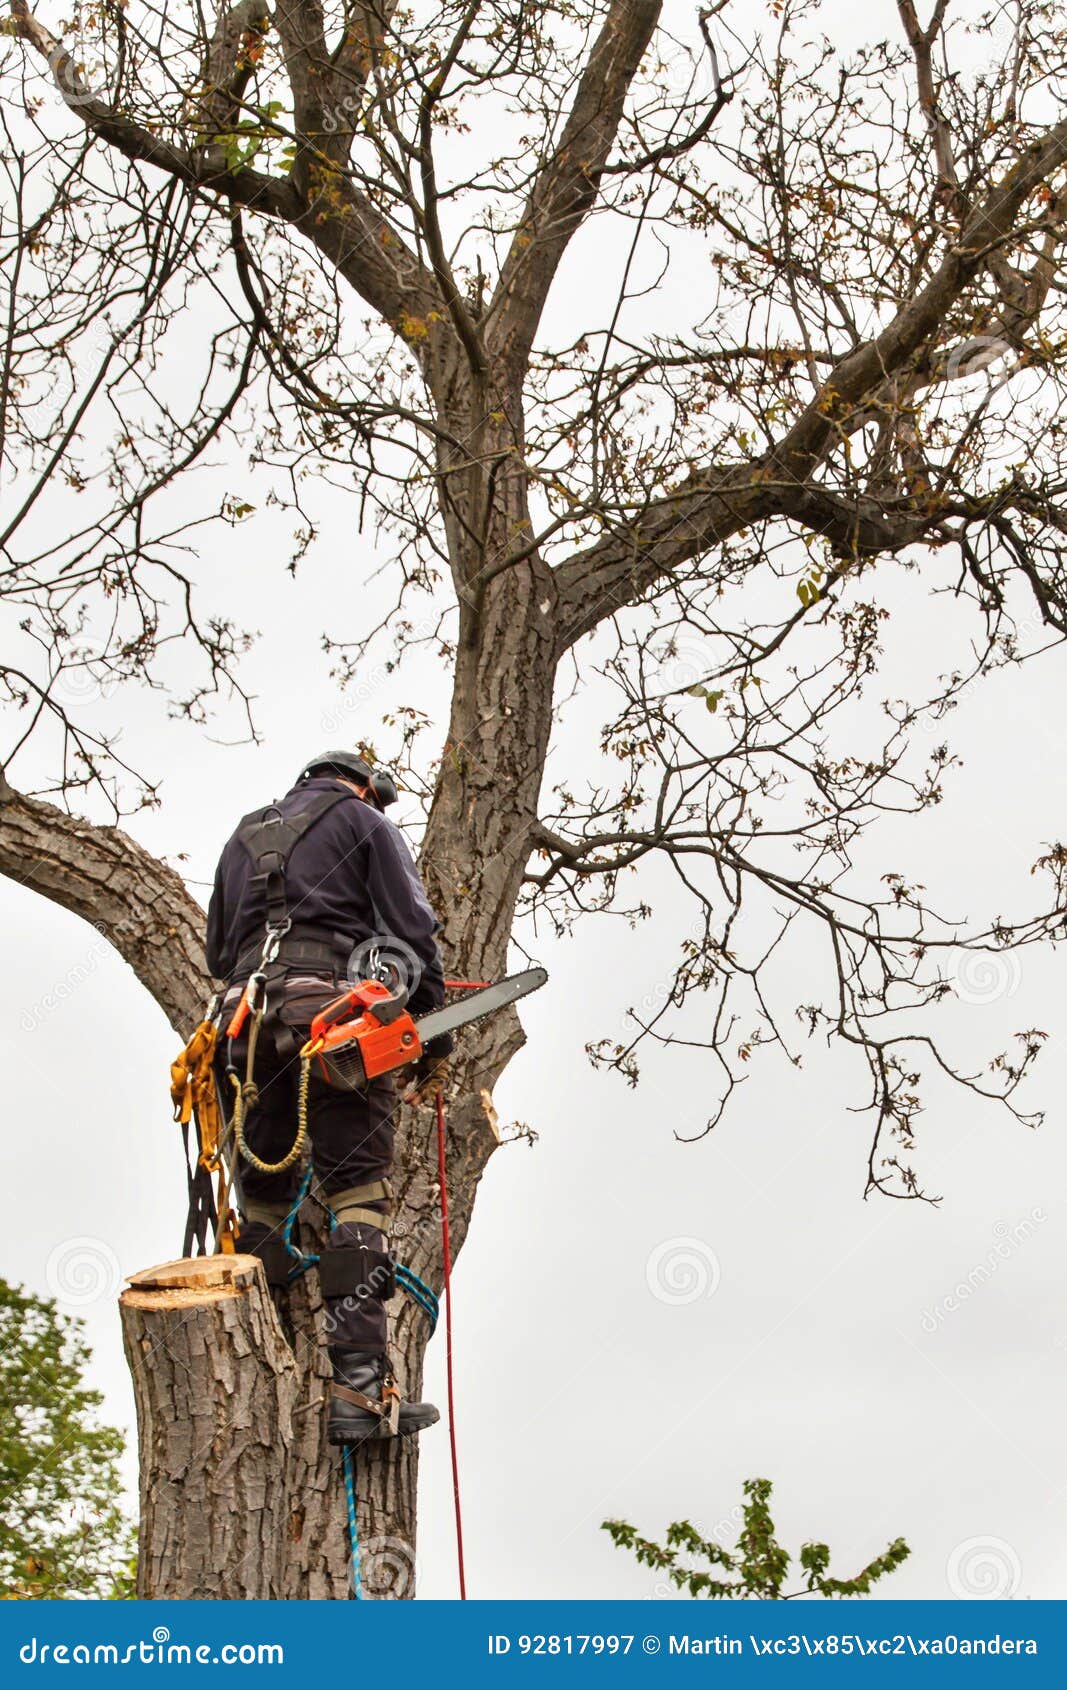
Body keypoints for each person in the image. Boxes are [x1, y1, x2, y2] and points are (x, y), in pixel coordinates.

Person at [206, 749, 449, 1444]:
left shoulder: (243, 834)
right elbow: (412, 929)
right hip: (330, 1022)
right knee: (356, 1198)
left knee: (261, 1199)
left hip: (241, 1028)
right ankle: (360, 1393)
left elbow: (220, 952)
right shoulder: (363, 821)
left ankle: (255, 1359)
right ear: (365, 787)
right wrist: (429, 1024)